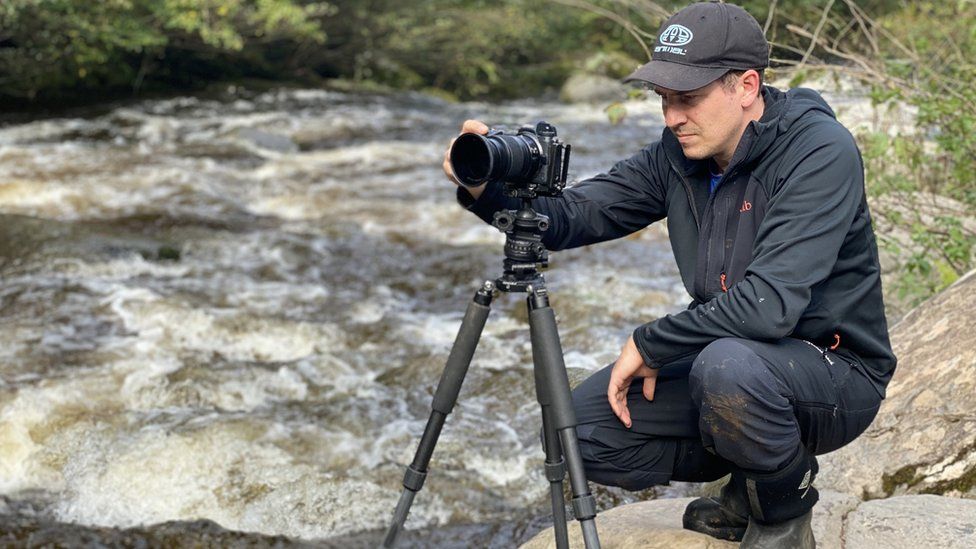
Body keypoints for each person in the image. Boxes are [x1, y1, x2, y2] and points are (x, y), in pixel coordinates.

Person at [443, 2, 896, 547]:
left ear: (746, 86)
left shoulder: (819, 150)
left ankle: (783, 512)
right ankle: (751, 476)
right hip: (730, 357)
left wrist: (652, 343)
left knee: (727, 367)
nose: (672, 117)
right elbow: (567, 219)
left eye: (688, 99)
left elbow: (768, 306)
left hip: (834, 370)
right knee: (576, 434)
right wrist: (482, 187)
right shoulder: (677, 154)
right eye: (664, 100)